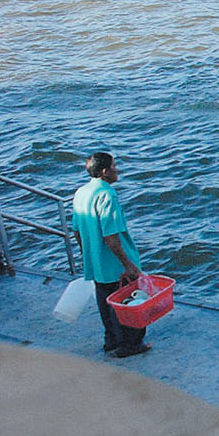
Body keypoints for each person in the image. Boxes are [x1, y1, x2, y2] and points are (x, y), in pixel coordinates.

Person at [70, 152, 151, 359]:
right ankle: (130, 344)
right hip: (113, 263)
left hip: (96, 261)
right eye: (115, 166)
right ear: (105, 172)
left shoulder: (81, 192)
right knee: (125, 301)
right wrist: (127, 264)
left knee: (104, 299)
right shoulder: (107, 195)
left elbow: (77, 230)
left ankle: (111, 340)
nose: (118, 170)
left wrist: (88, 253)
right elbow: (111, 237)